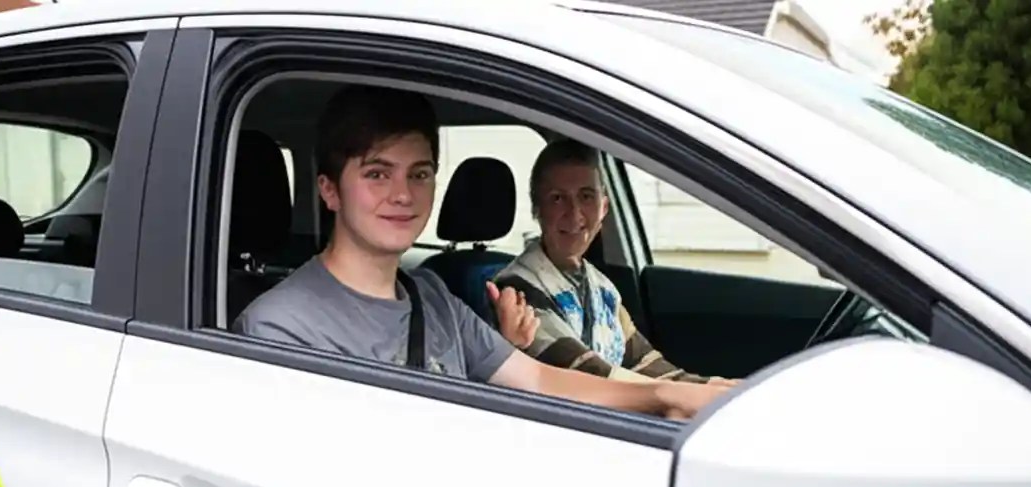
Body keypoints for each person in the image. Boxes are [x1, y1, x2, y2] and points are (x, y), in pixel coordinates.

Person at [234, 84, 729, 419]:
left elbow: (537, 379)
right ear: (329, 190)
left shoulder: (432, 297)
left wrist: (667, 393)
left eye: (420, 174)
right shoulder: (281, 328)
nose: (404, 195)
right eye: (377, 174)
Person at [492, 139, 735, 386]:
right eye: (557, 199)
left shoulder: (602, 288)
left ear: (604, 208)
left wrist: (712, 385)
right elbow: (587, 372)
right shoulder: (517, 289)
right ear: (537, 209)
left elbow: (644, 362)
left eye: (586, 197)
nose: (574, 213)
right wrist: (685, 394)